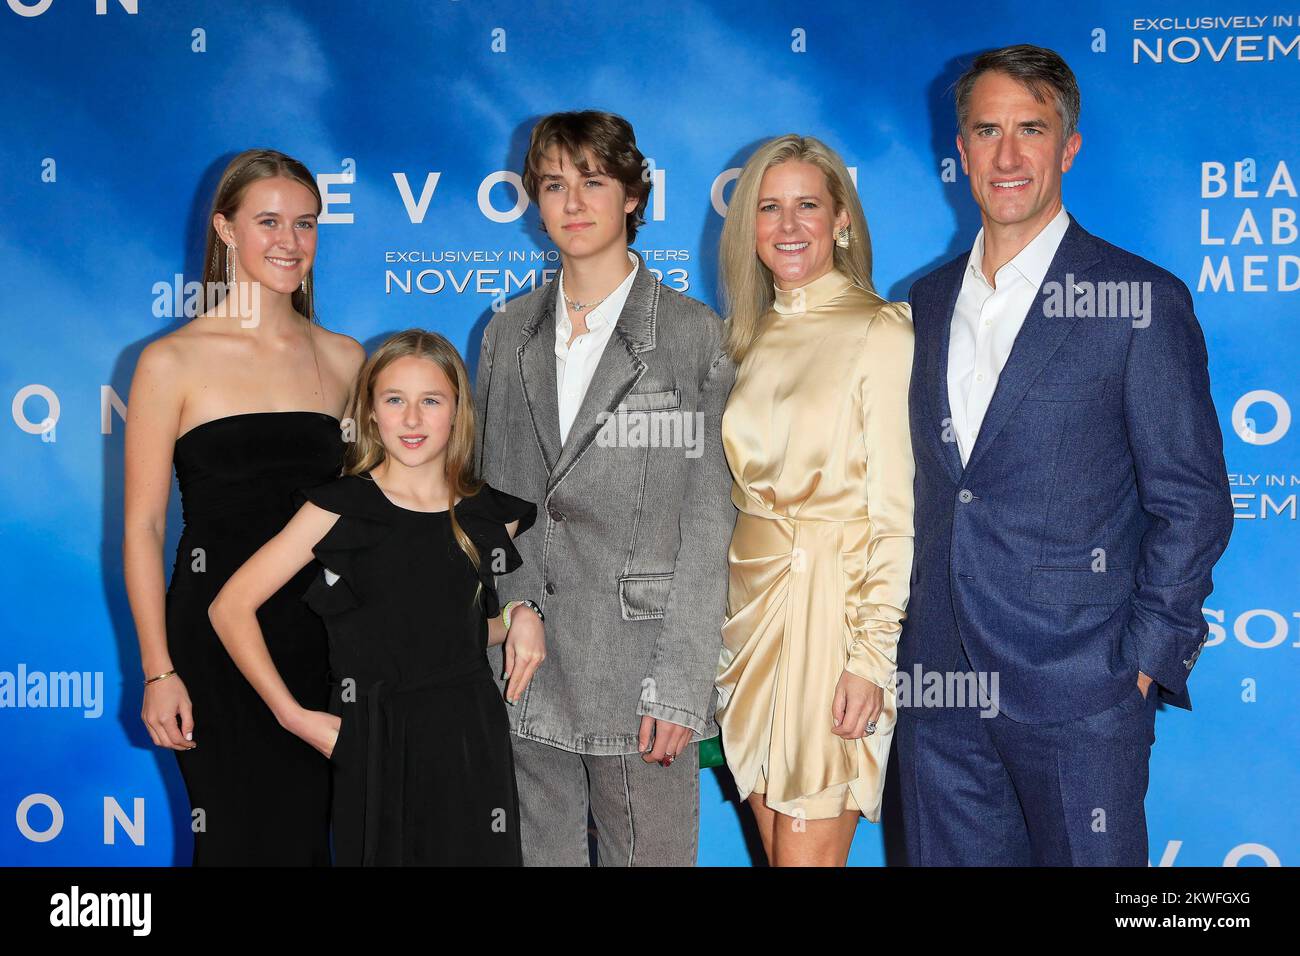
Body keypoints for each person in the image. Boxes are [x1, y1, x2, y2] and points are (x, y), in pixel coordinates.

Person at [897, 44, 1234, 866]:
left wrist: (1140, 669)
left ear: (1068, 146)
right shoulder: (924, 302)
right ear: (962, 148)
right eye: (987, 131)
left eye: (1031, 130)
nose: (1008, 155)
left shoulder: (1137, 299)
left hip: (1083, 691)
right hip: (938, 686)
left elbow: (1194, 501)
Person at [474, 110, 736, 866]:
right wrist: (512, 605)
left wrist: (684, 684)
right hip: (526, 666)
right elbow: (493, 498)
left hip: (641, 672)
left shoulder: (693, 336)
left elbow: (710, 521)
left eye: (593, 181)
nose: (573, 202)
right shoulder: (506, 331)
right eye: (554, 184)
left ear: (631, 195)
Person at [209, 330, 542, 865]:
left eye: (430, 401)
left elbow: (447, 631)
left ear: (458, 412)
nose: (412, 419)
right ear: (369, 413)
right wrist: (292, 715)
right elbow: (229, 607)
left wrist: (520, 614)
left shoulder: (488, 514)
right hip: (374, 738)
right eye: (395, 400)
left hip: (470, 739)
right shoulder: (340, 508)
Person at [123, 148, 364, 865]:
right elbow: (142, 528)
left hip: (327, 641)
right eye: (268, 222)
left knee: (318, 844)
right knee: (235, 842)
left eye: (306, 224)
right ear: (226, 230)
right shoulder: (172, 361)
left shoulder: (346, 358)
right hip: (214, 645)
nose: (290, 242)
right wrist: (159, 670)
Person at [713, 135, 915, 867]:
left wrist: (870, 656)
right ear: (749, 227)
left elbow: (896, 512)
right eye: (769, 207)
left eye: (807, 205)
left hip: (831, 623)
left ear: (842, 221)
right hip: (750, 621)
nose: (788, 224)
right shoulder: (752, 334)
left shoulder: (880, 328)